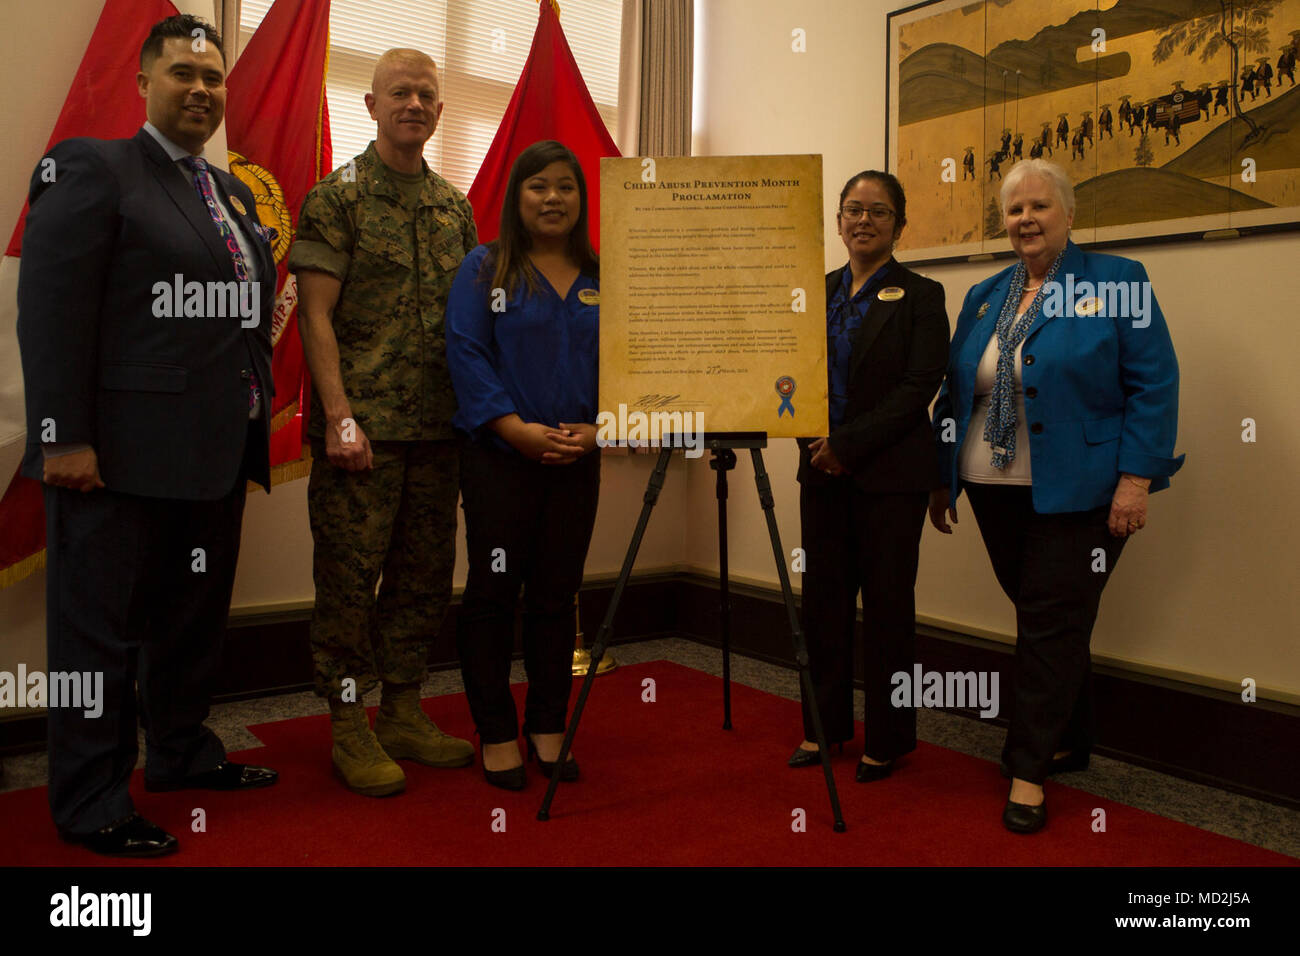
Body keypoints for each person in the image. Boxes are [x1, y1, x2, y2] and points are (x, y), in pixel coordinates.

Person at [16, 14, 278, 857]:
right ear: (143, 83)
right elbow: (52, 312)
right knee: (100, 635)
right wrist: (63, 439)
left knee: (190, 622)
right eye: (183, 75)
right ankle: (92, 801)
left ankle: (180, 753)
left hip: (214, 452)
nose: (201, 89)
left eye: (214, 79)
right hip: (116, 459)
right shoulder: (95, 169)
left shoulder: (231, 193)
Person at [928, 159, 1183, 834]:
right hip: (992, 486)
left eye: (1040, 206)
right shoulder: (984, 293)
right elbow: (956, 393)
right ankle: (1070, 737)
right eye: (1014, 210)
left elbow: (1154, 382)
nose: (1026, 220)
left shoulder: (1117, 282)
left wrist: (1136, 479)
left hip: (1083, 491)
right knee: (1051, 618)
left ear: (1069, 215)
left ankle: (1029, 769)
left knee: (1048, 623)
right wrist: (940, 474)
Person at [288, 48, 476, 797]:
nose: (413, 104)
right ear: (370, 105)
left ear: (437, 112)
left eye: (426, 95)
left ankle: (401, 708)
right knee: (346, 584)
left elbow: (467, 326)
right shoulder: (337, 198)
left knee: (423, 580)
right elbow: (315, 313)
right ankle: (346, 722)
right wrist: (339, 418)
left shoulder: (453, 207)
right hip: (359, 436)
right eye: (399, 91)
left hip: (438, 432)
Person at [445, 140, 601, 791]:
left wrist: (600, 429)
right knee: (492, 594)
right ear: (517, 197)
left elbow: (634, 364)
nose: (552, 198)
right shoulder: (485, 268)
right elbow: (465, 352)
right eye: (538, 186)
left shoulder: (605, 276)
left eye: (565, 186)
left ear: (581, 199)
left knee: (556, 597)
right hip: (499, 462)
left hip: (577, 460)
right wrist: (515, 431)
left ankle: (546, 725)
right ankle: (497, 731)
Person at [788, 171, 949, 782]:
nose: (863, 221)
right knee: (823, 606)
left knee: (887, 609)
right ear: (837, 222)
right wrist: (815, 444)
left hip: (891, 476)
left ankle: (889, 738)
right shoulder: (816, 292)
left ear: (899, 226)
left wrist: (847, 446)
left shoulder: (922, 295)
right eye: (852, 210)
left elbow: (918, 388)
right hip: (820, 470)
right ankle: (823, 730)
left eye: (878, 212)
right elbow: (791, 379)